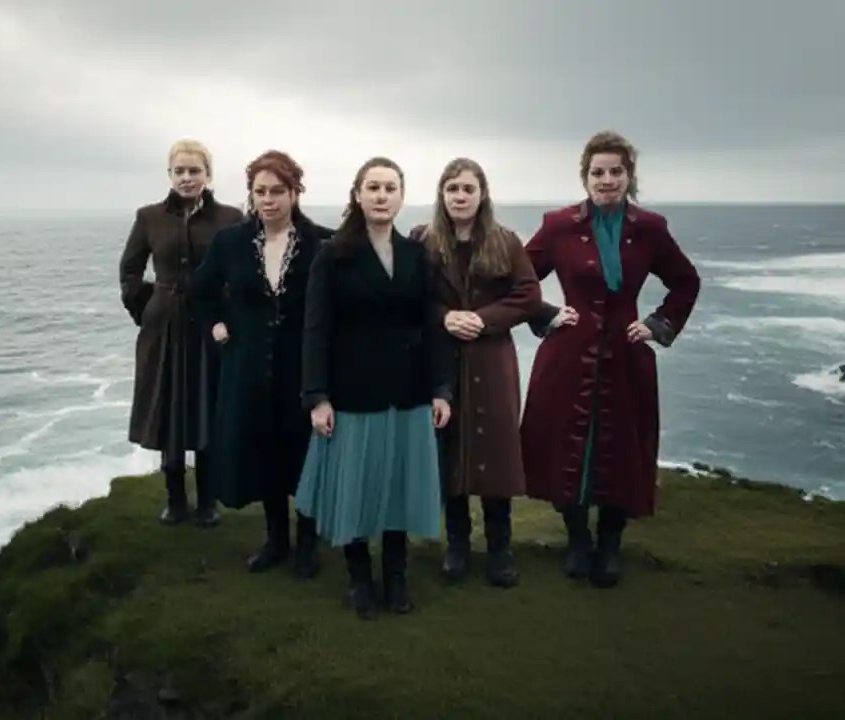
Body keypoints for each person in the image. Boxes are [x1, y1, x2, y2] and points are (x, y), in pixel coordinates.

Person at [521, 131, 700, 588]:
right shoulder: (559, 225)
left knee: (622, 450)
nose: (606, 180)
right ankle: (578, 540)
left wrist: (658, 325)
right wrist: (545, 313)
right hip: (568, 355)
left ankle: (610, 544)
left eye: (615, 172)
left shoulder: (650, 228)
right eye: (597, 173)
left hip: (626, 357)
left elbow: (686, 281)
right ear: (585, 177)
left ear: (628, 176)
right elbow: (517, 279)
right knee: (565, 445)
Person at [295, 156, 454, 619]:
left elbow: (432, 323)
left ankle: (397, 579)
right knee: (358, 491)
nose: (382, 196)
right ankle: (360, 580)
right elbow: (315, 330)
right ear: (358, 195)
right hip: (352, 394)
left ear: (401, 197)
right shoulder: (333, 255)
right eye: (373, 187)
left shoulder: (417, 256)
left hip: (408, 392)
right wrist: (317, 396)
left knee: (399, 489)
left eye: (390, 188)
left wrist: (442, 389)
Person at [190, 150, 331, 578]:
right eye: (260, 192)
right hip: (248, 366)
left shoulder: (323, 243)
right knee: (265, 451)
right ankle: (276, 540)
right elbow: (201, 290)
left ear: (295, 192)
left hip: (303, 366)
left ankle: (308, 543)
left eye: (277, 191)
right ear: (251, 195)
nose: (268, 200)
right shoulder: (230, 241)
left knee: (306, 454)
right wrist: (216, 323)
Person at [409, 158, 542, 588]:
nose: (460, 197)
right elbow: (408, 297)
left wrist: (482, 318)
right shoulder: (422, 240)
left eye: (468, 188)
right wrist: (445, 317)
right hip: (442, 361)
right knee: (449, 454)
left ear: (482, 193)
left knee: (497, 455)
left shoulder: (505, 241)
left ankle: (500, 550)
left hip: (492, 360)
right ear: (441, 195)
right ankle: (457, 546)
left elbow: (528, 296)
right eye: (452, 189)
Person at [119, 139, 243, 526]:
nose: (187, 178)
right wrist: (148, 309)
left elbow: (241, 271)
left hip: (213, 328)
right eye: (180, 171)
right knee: (168, 408)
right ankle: (174, 499)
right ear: (170, 175)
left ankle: (208, 501)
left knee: (210, 407)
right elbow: (130, 271)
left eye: (195, 171)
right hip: (164, 327)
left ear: (208, 174)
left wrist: (231, 315)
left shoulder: (230, 217)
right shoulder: (148, 217)